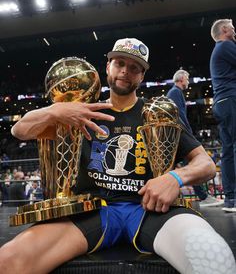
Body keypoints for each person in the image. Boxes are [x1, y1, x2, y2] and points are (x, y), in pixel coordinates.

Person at [0, 38, 235, 274]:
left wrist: (174, 177)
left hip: (150, 210)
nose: (125, 71)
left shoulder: (157, 114)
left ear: (142, 76)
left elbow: (205, 164)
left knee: (212, 257)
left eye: (134, 67)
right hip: (92, 211)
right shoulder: (79, 113)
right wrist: (56, 110)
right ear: (108, 67)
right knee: (8, 260)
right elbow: (19, 130)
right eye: (120, 63)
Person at [167, 69, 223, 207]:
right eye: (187, 78)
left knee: (178, 167)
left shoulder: (175, 92)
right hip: (179, 136)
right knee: (193, 165)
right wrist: (189, 134)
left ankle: (201, 197)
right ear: (181, 79)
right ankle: (203, 197)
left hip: (175, 136)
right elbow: (179, 116)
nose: (188, 81)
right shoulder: (175, 92)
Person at [210, 19, 236, 213]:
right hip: (230, 99)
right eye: (233, 27)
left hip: (222, 102)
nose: (234, 31)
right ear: (225, 30)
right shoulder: (226, 45)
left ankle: (231, 199)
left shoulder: (219, 49)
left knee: (228, 150)